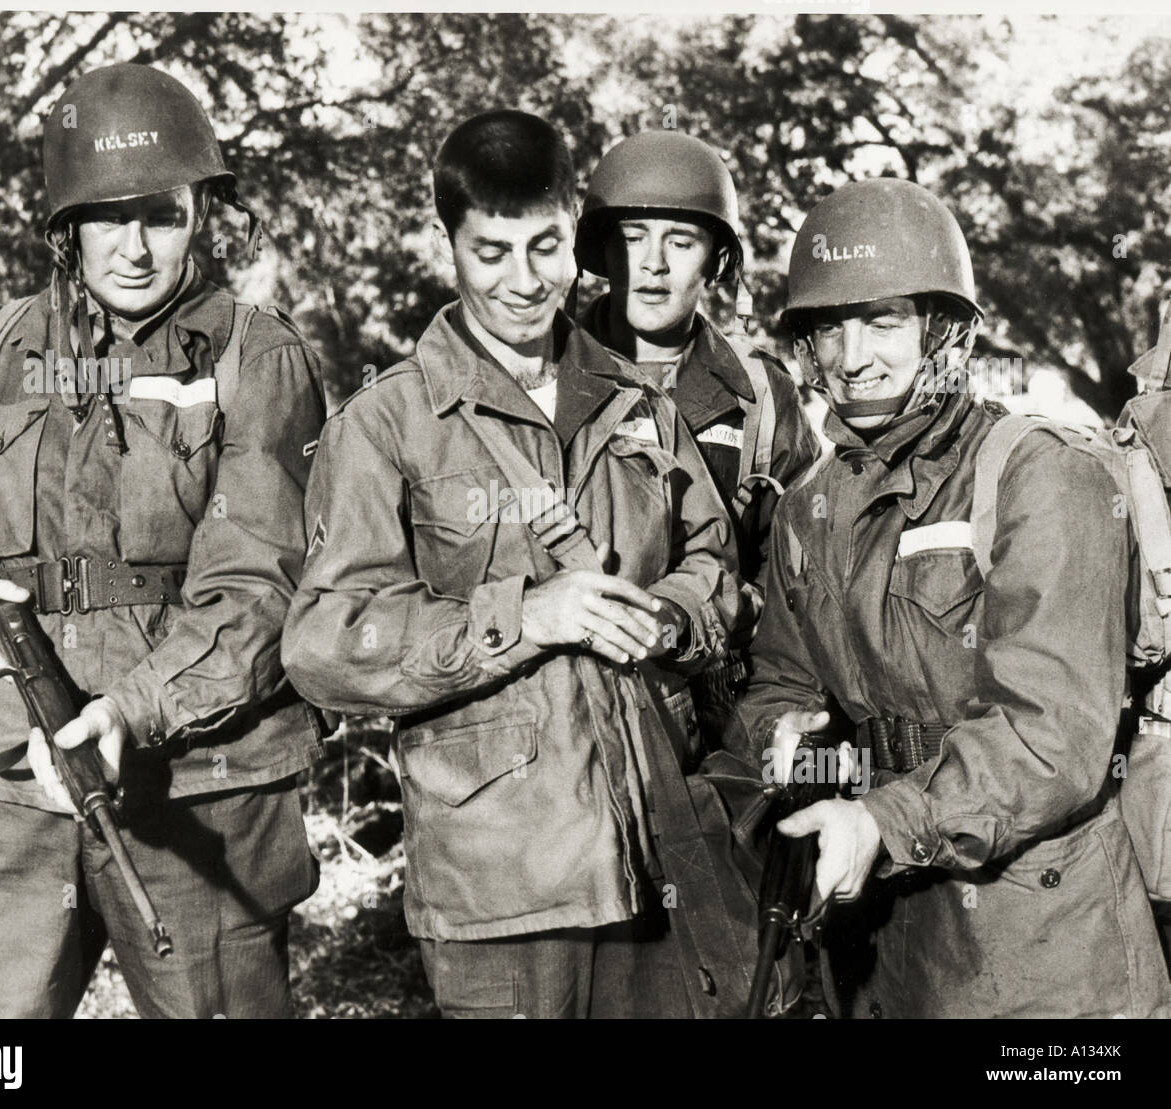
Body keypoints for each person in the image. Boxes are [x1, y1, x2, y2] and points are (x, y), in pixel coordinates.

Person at [0, 62, 327, 1018]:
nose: (133, 246)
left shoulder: (257, 357)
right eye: (106, 215)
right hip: (12, 775)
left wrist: (131, 713)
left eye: (159, 214)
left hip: (204, 782)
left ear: (200, 214)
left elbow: (257, 587)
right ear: (64, 226)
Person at [281, 109, 741, 1018]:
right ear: (447, 242)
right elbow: (323, 641)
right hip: (502, 885)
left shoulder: (636, 398)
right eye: (491, 252)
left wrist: (674, 614)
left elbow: (714, 556)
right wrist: (525, 616)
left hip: (656, 848)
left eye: (545, 247)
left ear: (576, 233)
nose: (524, 282)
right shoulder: (387, 424)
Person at [731, 177, 1171, 1018]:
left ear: (943, 330)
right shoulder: (806, 510)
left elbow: (1050, 737)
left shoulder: (1040, 471)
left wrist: (883, 823)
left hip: (1045, 940)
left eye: (884, 322)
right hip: (888, 943)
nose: (852, 355)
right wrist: (792, 751)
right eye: (829, 328)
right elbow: (781, 688)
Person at [575, 130, 820, 742]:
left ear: (715, 261)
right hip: (580, 710)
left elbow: (806, 567)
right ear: (603, 252)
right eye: (632, 239)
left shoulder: (760, 393)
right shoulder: (547, 377)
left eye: (680, 242)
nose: (653, 264)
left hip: (726, 703)